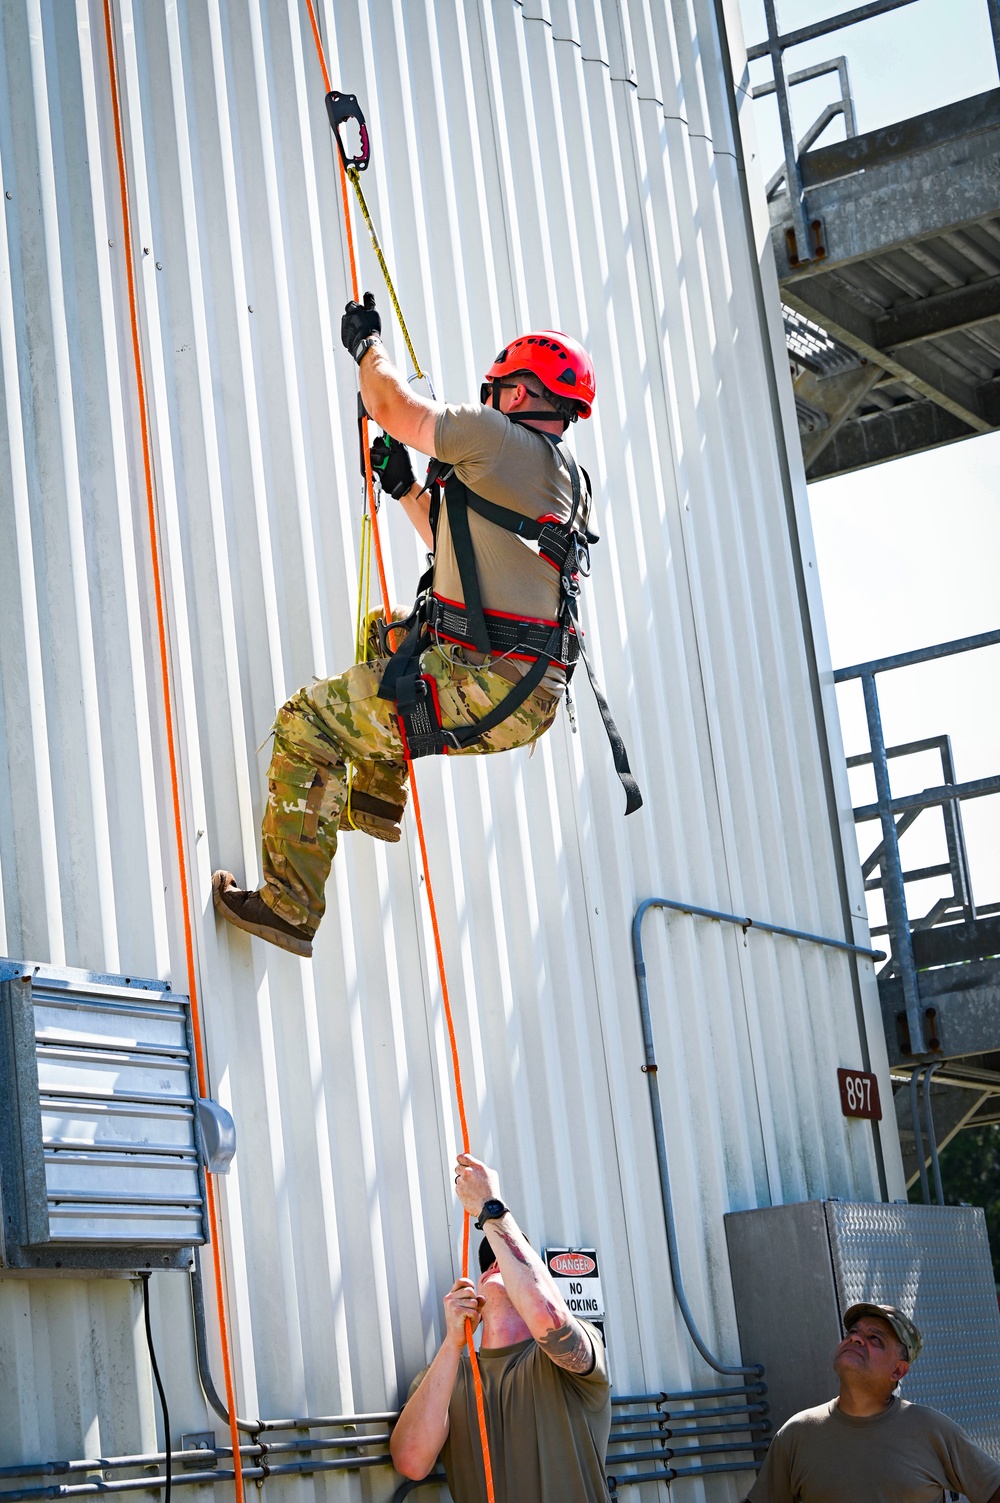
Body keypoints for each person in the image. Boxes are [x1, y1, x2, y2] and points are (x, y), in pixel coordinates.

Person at [212, 294, 620, 959]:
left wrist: (366, 344)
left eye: (498, 389)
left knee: (304, 723)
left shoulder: (495, 437)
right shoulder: (566, 477)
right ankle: (377, 798)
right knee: (389, 634)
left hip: (482, 686)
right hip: (525, 694)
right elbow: (460, 553)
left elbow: (390, 404)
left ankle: (289, 907)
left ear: (519, 393)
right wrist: (405, 487)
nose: (492, 399)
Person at [390, 1153, 611, 1501]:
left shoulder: (575, 1352)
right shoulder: (446, 1377)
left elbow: (547, 1315)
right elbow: (410, 1462)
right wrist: (452, 1344)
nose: (496, 1266)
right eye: (489, 1263)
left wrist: (490, 1208)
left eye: (507, 1263)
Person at [746, 1302, 1000, 1503]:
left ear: (898, 1371)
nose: (855, 1339)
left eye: (875, 1338)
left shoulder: (932, 1430)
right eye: (853, 1332)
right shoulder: (797, 1433)